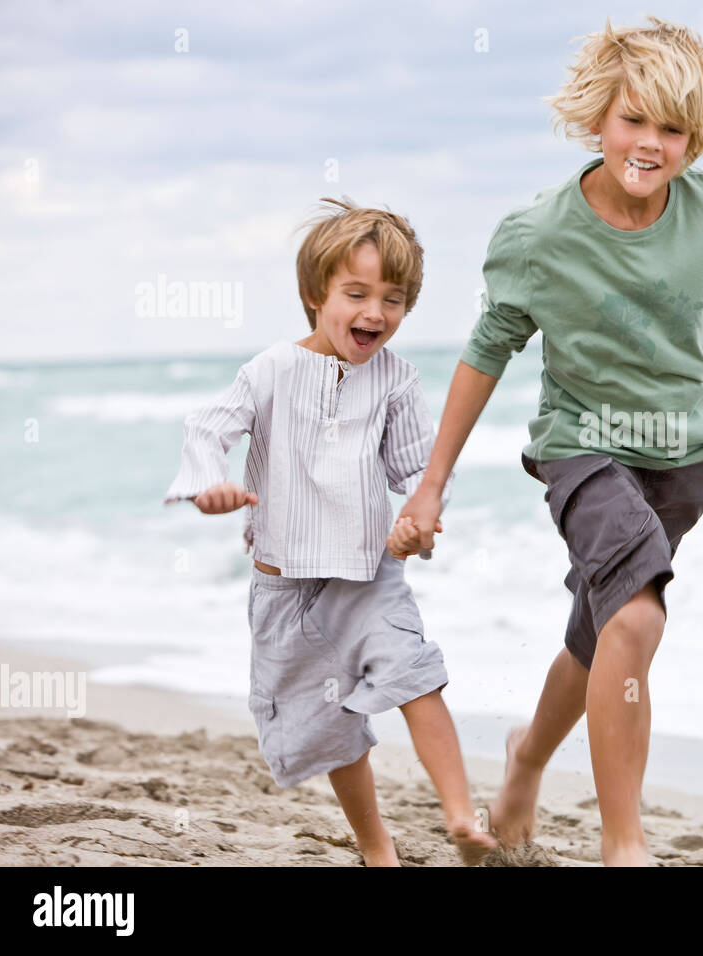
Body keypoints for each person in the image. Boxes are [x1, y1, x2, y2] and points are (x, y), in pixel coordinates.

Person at [387, 16, 703, 866]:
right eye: (634, 120)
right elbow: (487, 352)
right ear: (596, 120)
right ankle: (626, 845)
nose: (650, 145)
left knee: (603, 628)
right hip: (581, 447)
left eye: (673, 129)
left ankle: (525, 760)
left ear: (695, 139)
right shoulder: (539, 236)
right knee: (639, 618)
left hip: (690, 457)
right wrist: (432, 483)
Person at [163, 198, 496, 866]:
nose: (375, 313)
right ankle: (377, 847)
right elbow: (207, 429)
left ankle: (462, 816)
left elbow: (421, 471)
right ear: (317, 296)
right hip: (286, 591)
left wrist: (420, 521)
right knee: (333, 728)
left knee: (415, 674)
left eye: (394, 299)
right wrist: (208, 486)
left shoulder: (396, 381)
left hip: (370, 576)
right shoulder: (271, 371)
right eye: (357, 293)